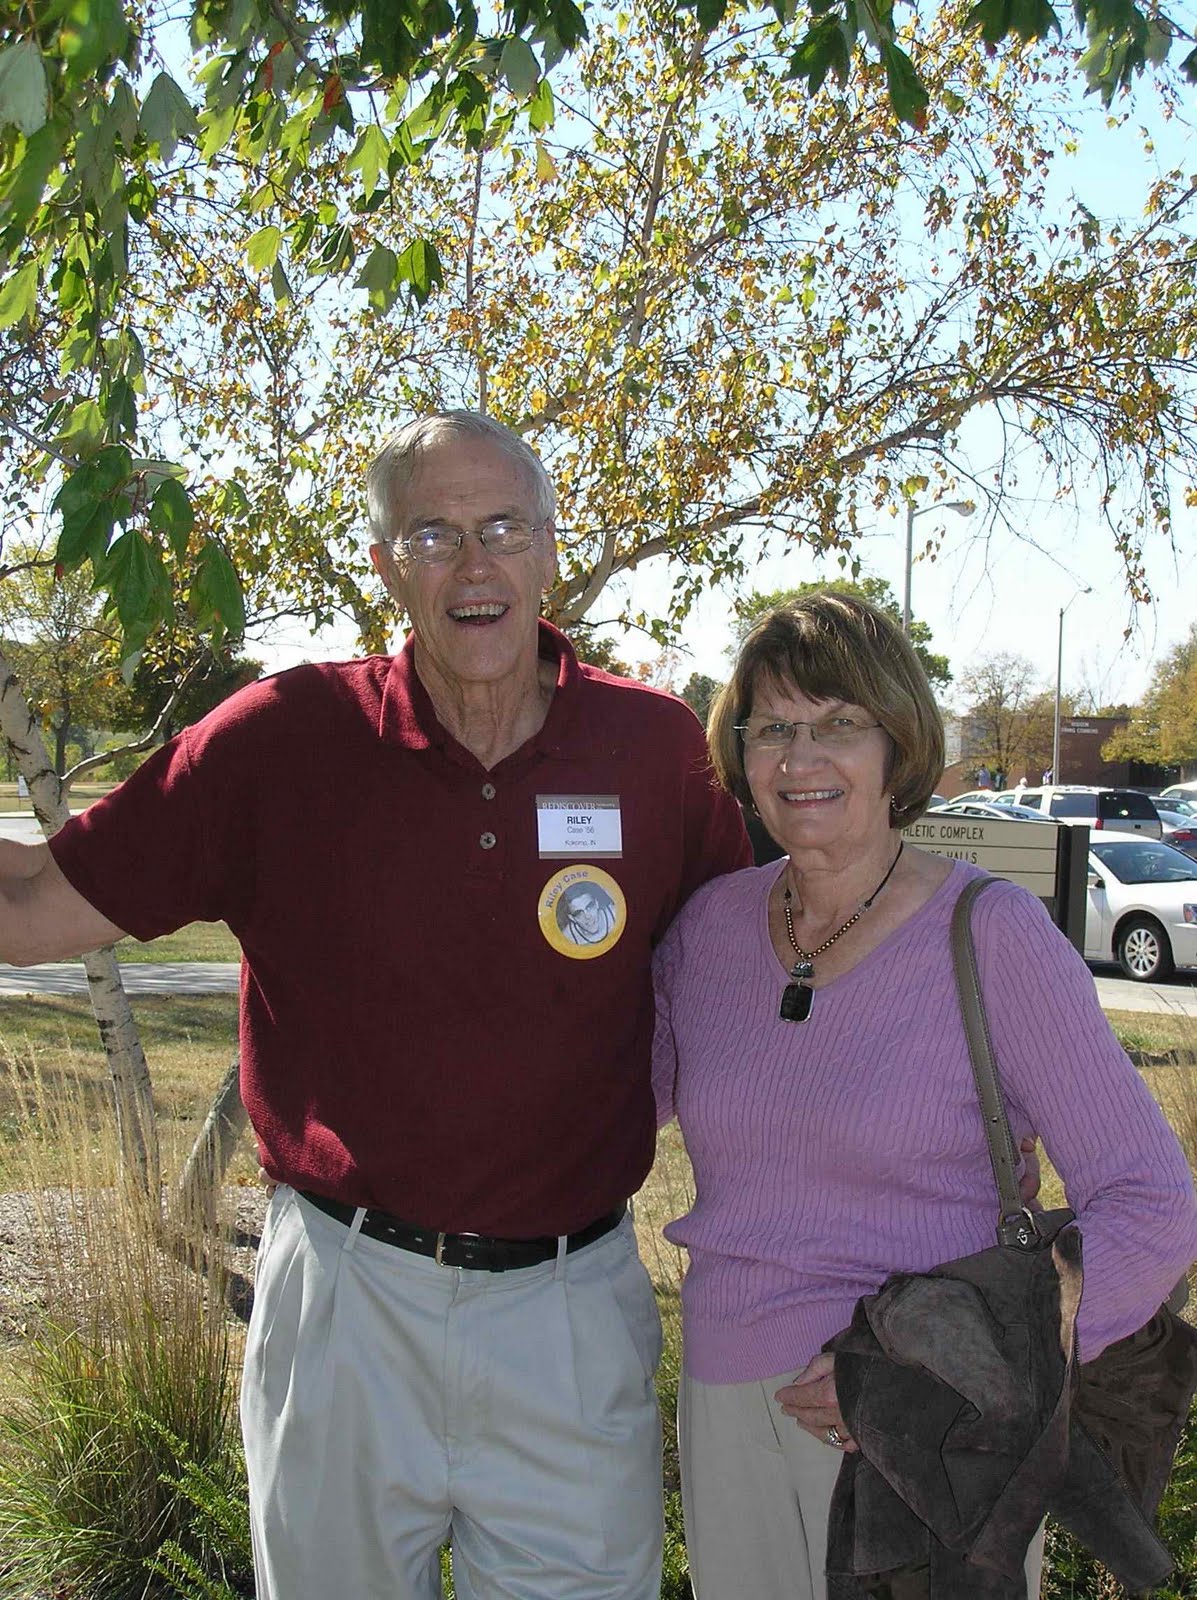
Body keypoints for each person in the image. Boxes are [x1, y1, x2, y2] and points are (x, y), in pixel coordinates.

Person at [0, 410, 751, 1600]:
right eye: (433, 533)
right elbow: (36, 904)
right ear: (385, 565)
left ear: (551, 547)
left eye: (503, 526)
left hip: (571, 1313)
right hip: (346, 1304)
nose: (474, 563)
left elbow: (785, 970)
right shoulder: (281, 742)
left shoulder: (657, 752)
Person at [651, 592, 1197, 1600]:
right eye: (773, 726)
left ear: (899, 745)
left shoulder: (989, 934)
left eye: (839, 724)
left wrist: (945, 1376)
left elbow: (1155, 1206)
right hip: (729, 1407)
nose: (800, 757)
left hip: (929, 1439)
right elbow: (594, 1112)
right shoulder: (709, 930)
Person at [557, 880, 618, 945]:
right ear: (571, 918)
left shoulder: (615, 915)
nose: (587, 916)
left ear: (596, 903)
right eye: (578, 913)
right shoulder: (568, 938)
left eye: (589, 907)